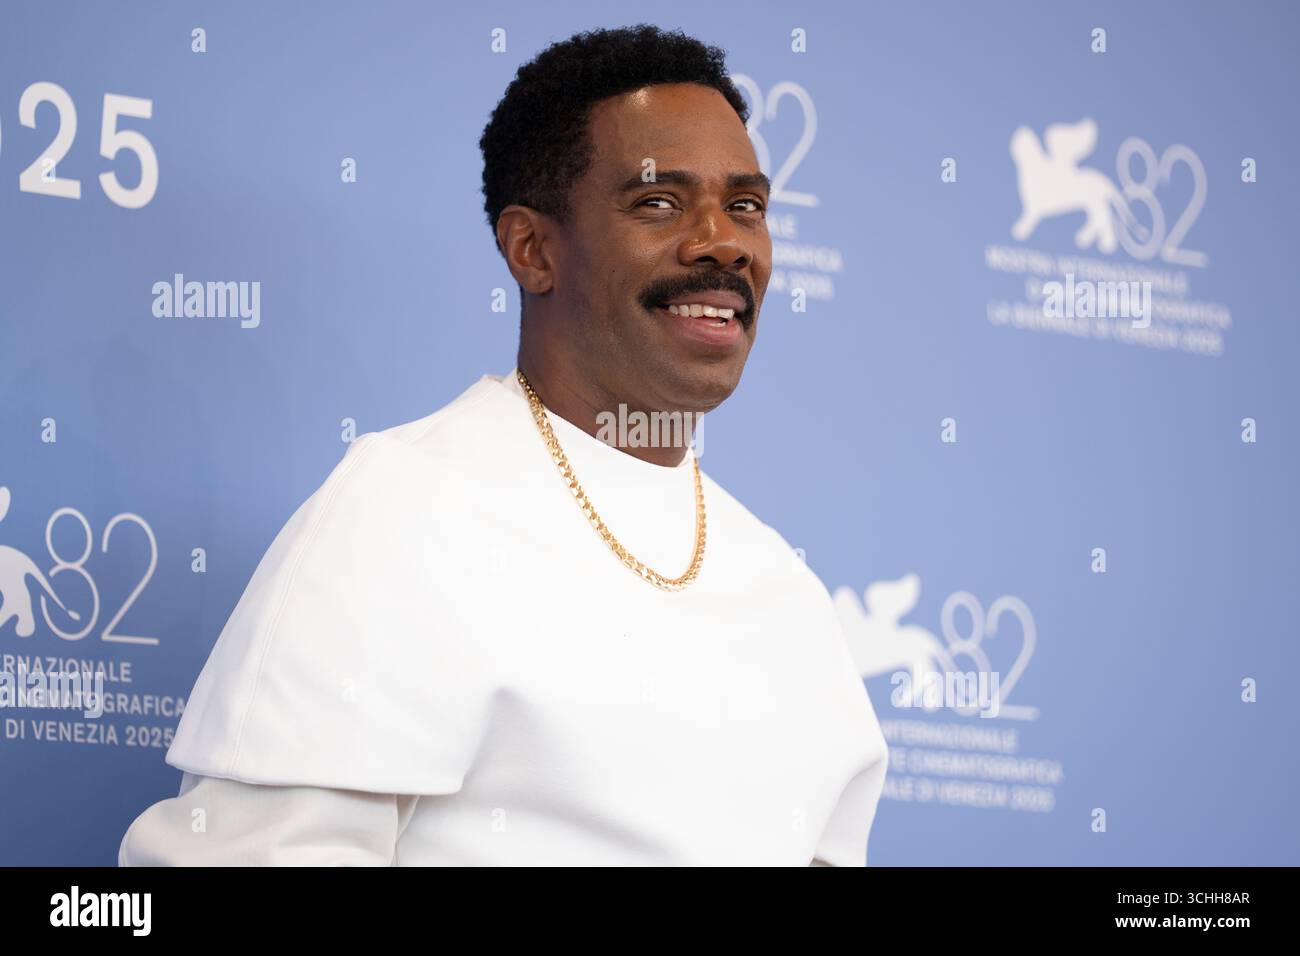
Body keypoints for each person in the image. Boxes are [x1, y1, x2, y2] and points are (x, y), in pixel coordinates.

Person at [119, 23, 889, 866]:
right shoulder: (400, 515)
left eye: (745, 206)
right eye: (659, 202)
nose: (725, 242)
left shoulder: (790, 593)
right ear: (533, 250)